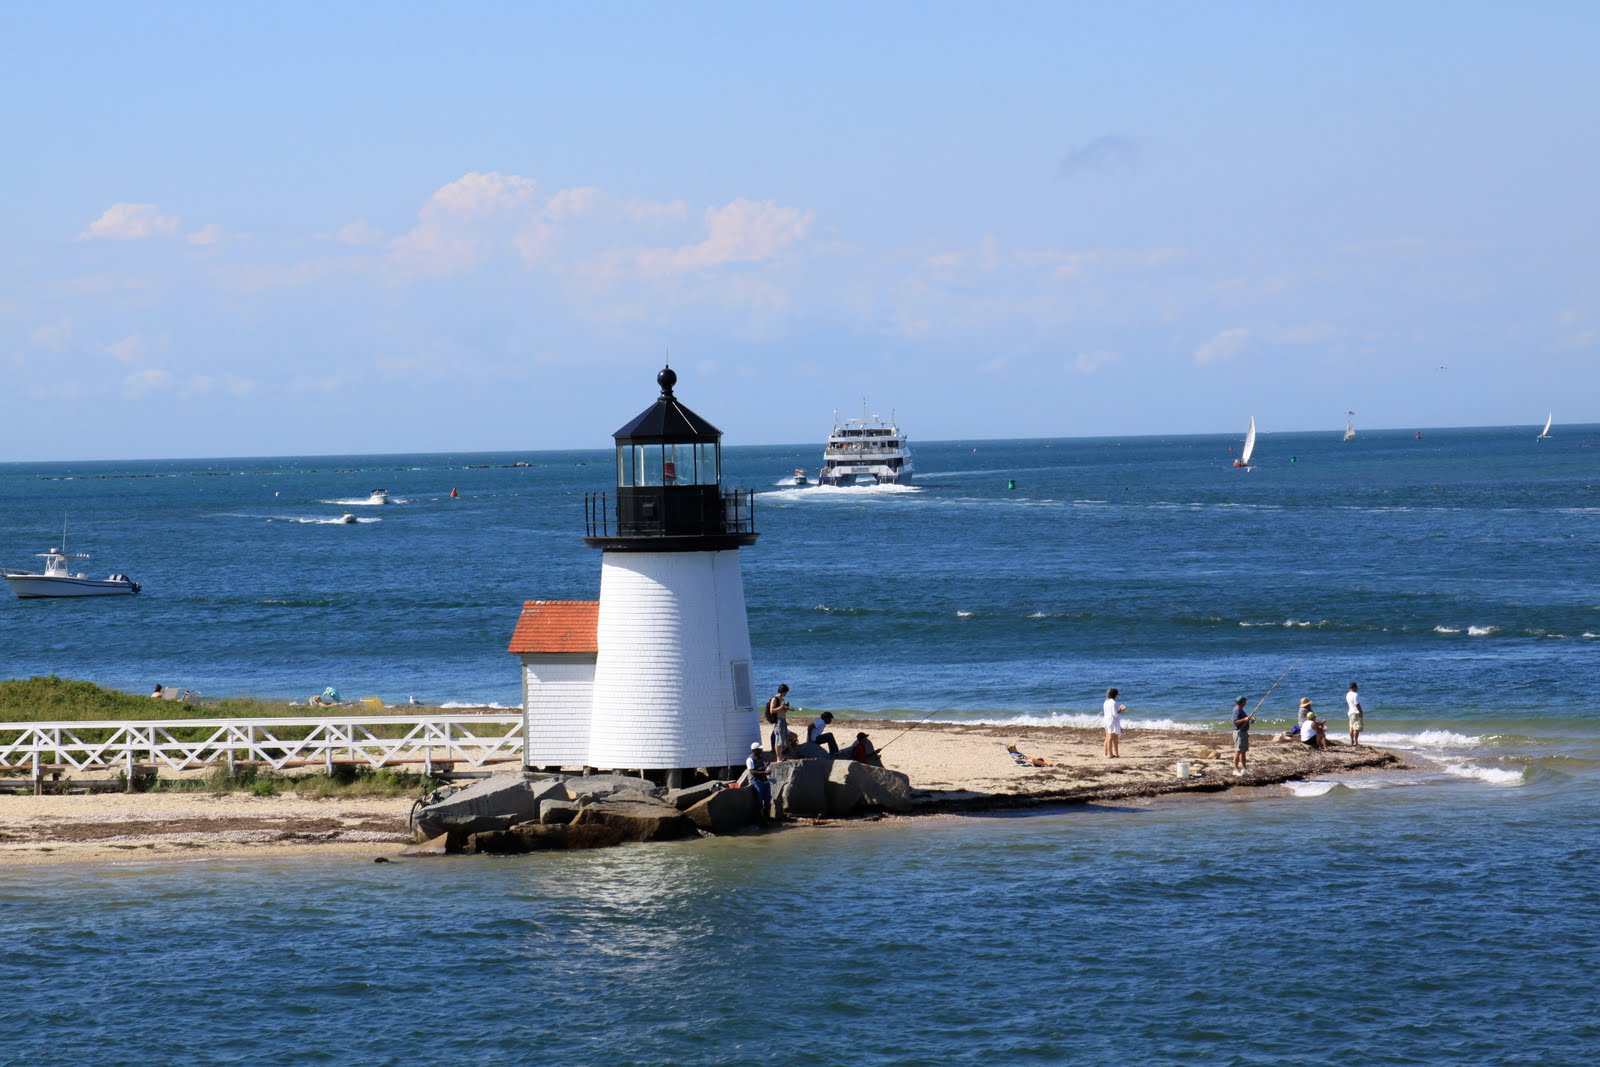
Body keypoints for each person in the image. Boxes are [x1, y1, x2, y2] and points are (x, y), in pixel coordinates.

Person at [745, 741, 773, 824]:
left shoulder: (760, 757)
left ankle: (768, 818)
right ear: (755, 750)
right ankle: (761, 820)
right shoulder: (750, 759)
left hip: (765, 781)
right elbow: (752, 772)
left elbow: (761, 768)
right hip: (757, 782)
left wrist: (766, 766)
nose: (761, 750)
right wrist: (765, 772)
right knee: (759, 801)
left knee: (768, 800)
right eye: (759, 749)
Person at [766, 684, 791, 762]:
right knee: (779, 740)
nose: (786, 693)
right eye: (786, 692)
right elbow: (772, 710)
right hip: (778, 720)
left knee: (783, 739)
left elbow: (782, 711)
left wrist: (785, 708)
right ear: (783, 691)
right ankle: (779, 758)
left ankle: (781, 756)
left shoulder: (782, 699)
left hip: (783, 719)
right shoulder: (775, 699)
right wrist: (781, 707)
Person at [1231, 696, 1254, 775]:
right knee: (1238, 751)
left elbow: (1243, 721)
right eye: (1244, 701)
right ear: (1242, 702)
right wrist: (1245, 719)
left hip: (1243, 732)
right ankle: (1235, 770)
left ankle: (1244, 769)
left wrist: (1248, 720)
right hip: (1239, 733)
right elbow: (1234, 722)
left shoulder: (1240, 709)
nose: (1246, 702)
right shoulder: (1236, 710)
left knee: (1243, 751)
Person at [1102, 688, 1126, 758]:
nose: (1118, 696)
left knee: (1109, 737)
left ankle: (1108, 753)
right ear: (1115, 695)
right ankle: (1111, 754)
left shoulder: (1106, 702)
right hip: (1113, 721)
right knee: (1112, 737)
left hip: (1106, 720)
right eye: (1117, 694)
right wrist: (1121, 710)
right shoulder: (1113, 702)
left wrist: (1119, 709)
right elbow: (1115, 714)